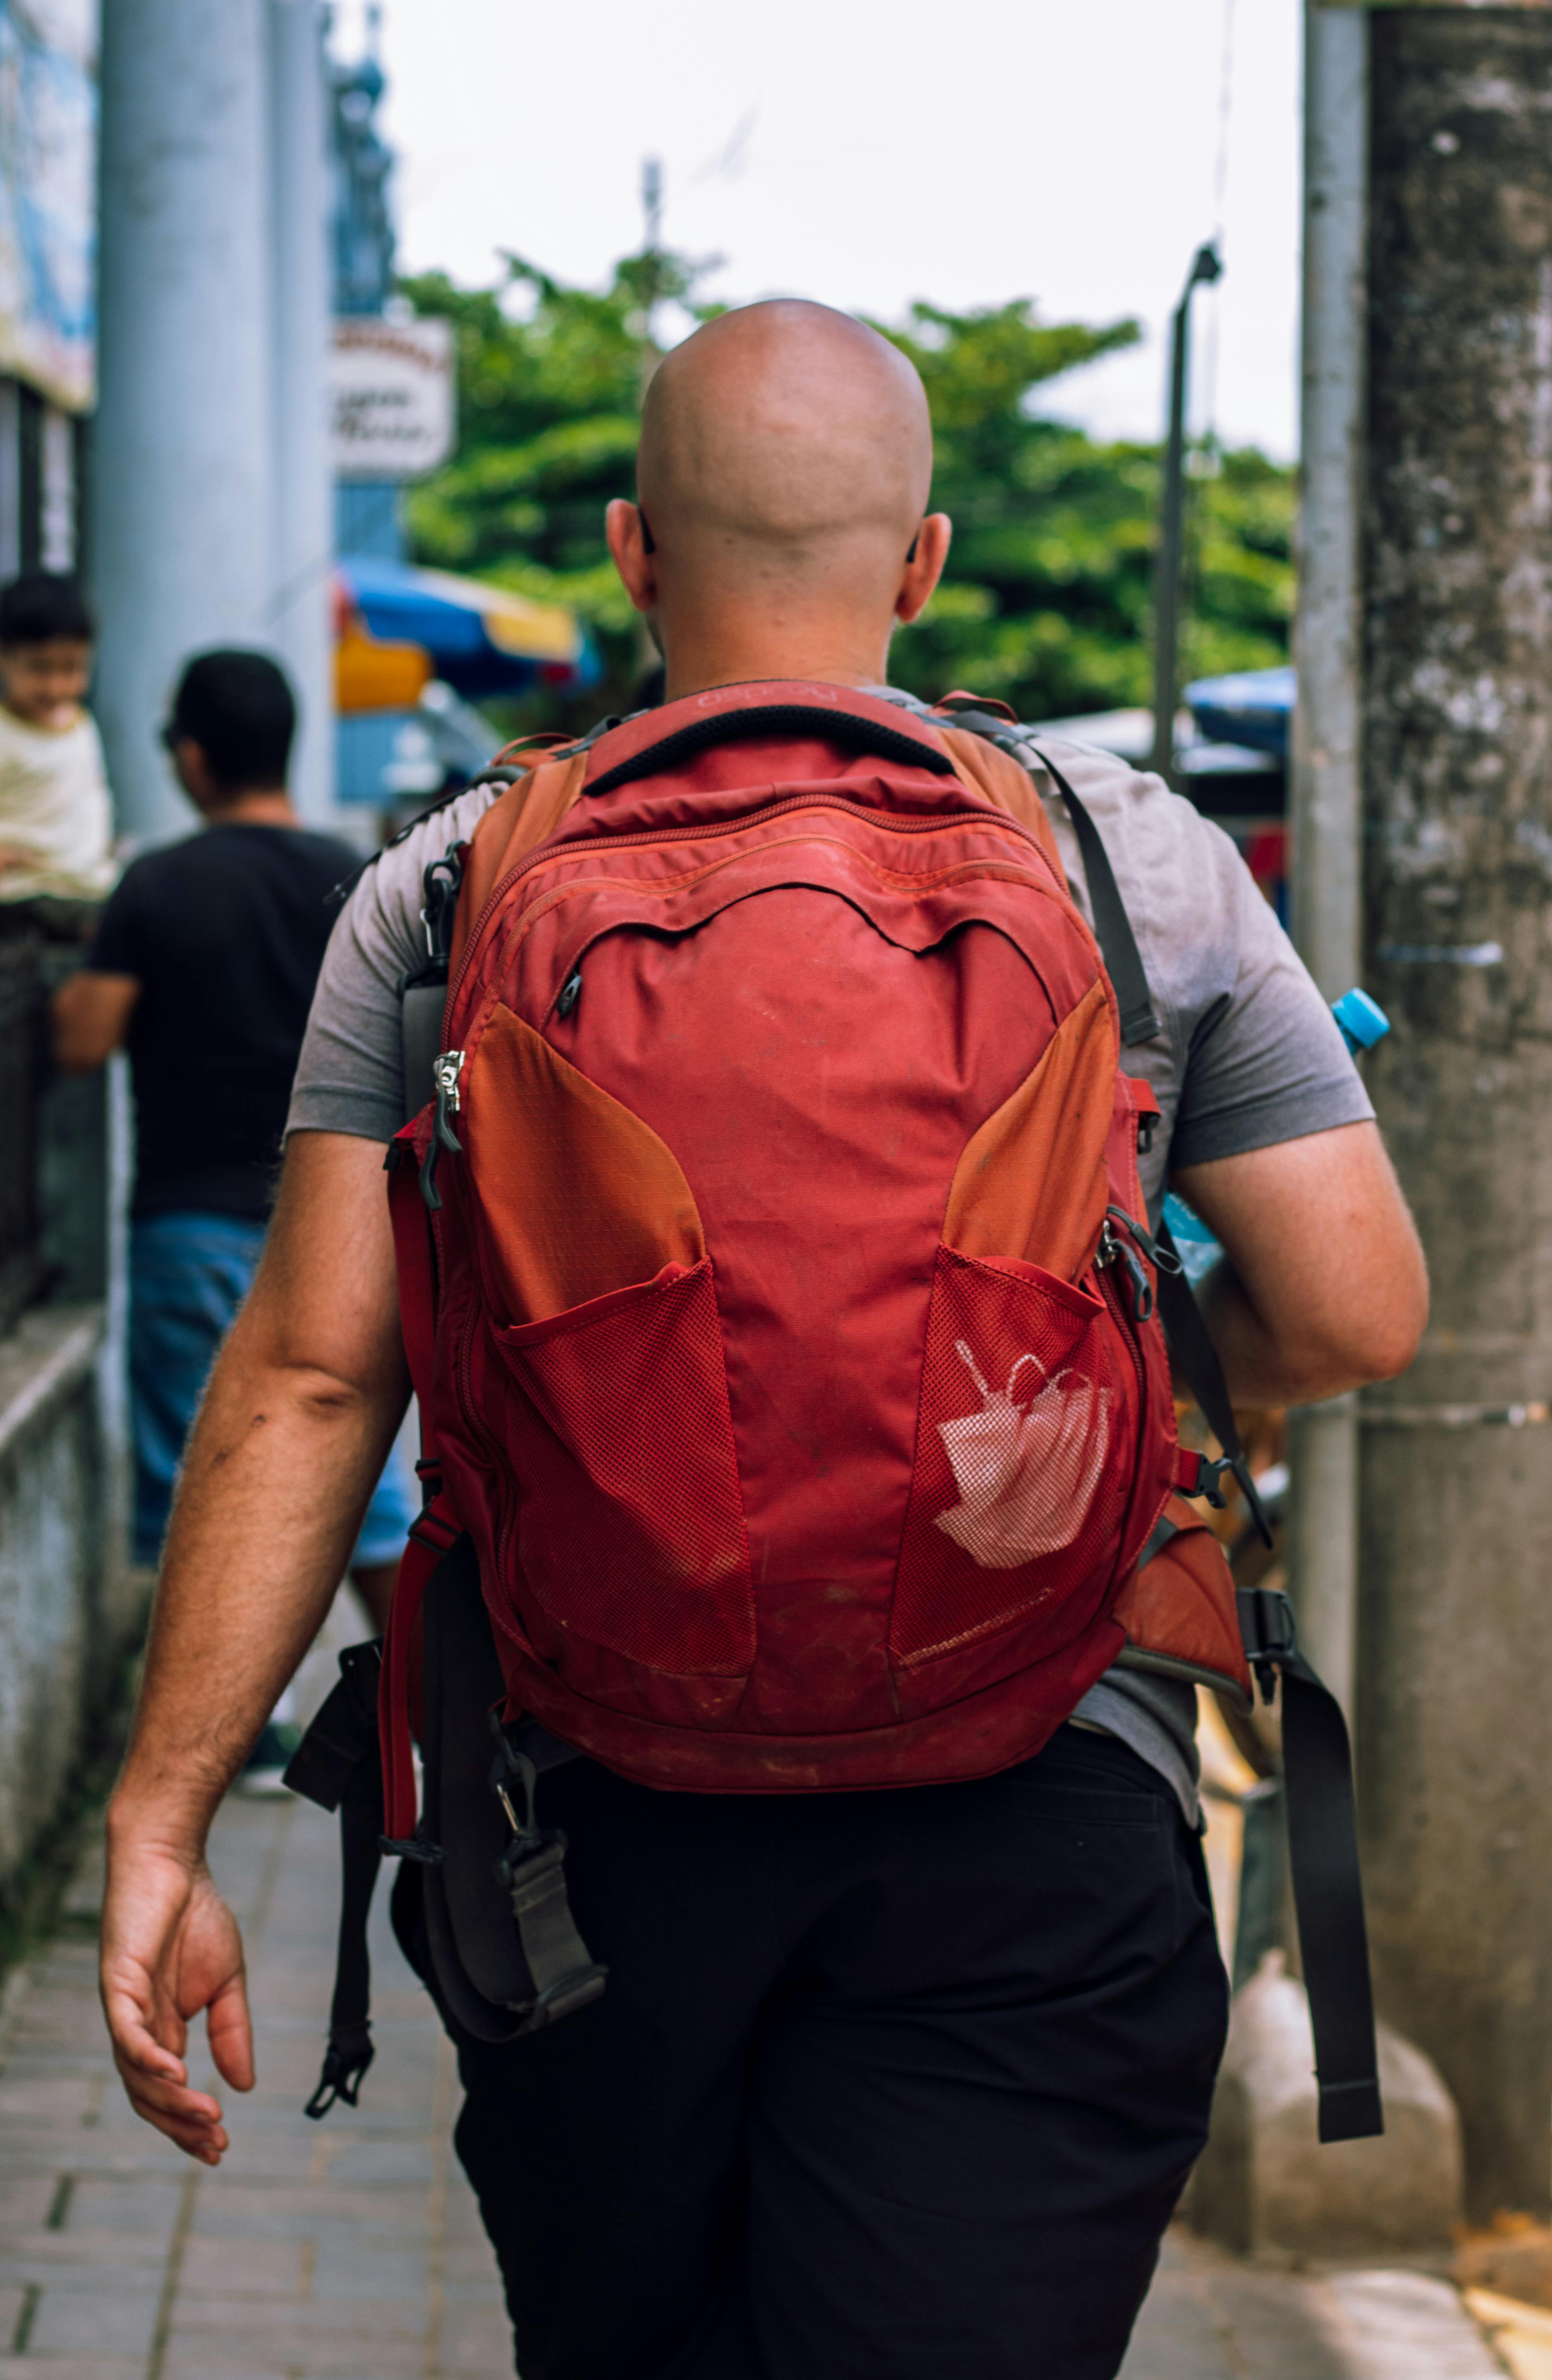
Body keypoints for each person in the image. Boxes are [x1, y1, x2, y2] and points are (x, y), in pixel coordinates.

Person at [98, 309, 1427, 2378]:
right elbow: (1355, 1308)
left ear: (634, 551)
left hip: (587, 1822)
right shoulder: (1124, 854)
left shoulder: (446, 885)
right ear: (923, 558)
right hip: (1043, 1778)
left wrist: (164, 1824)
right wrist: (1099, 1372)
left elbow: (308, 1375)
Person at [53, 649, 416, 1698]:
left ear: (194, 756)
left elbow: (82, 1037)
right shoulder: (362, 883)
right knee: (370, 1491)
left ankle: (240, 1729)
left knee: (193, 1489)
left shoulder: (156, 883)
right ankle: (427, 1706)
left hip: (189, 1221)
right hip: (340, 1222)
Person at [0, 571, 115, 923]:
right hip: (21, 900)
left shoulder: (82, 726)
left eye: (72, 668)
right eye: (40, 669)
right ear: (4, 657)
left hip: (90, 894)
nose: (56, 687)